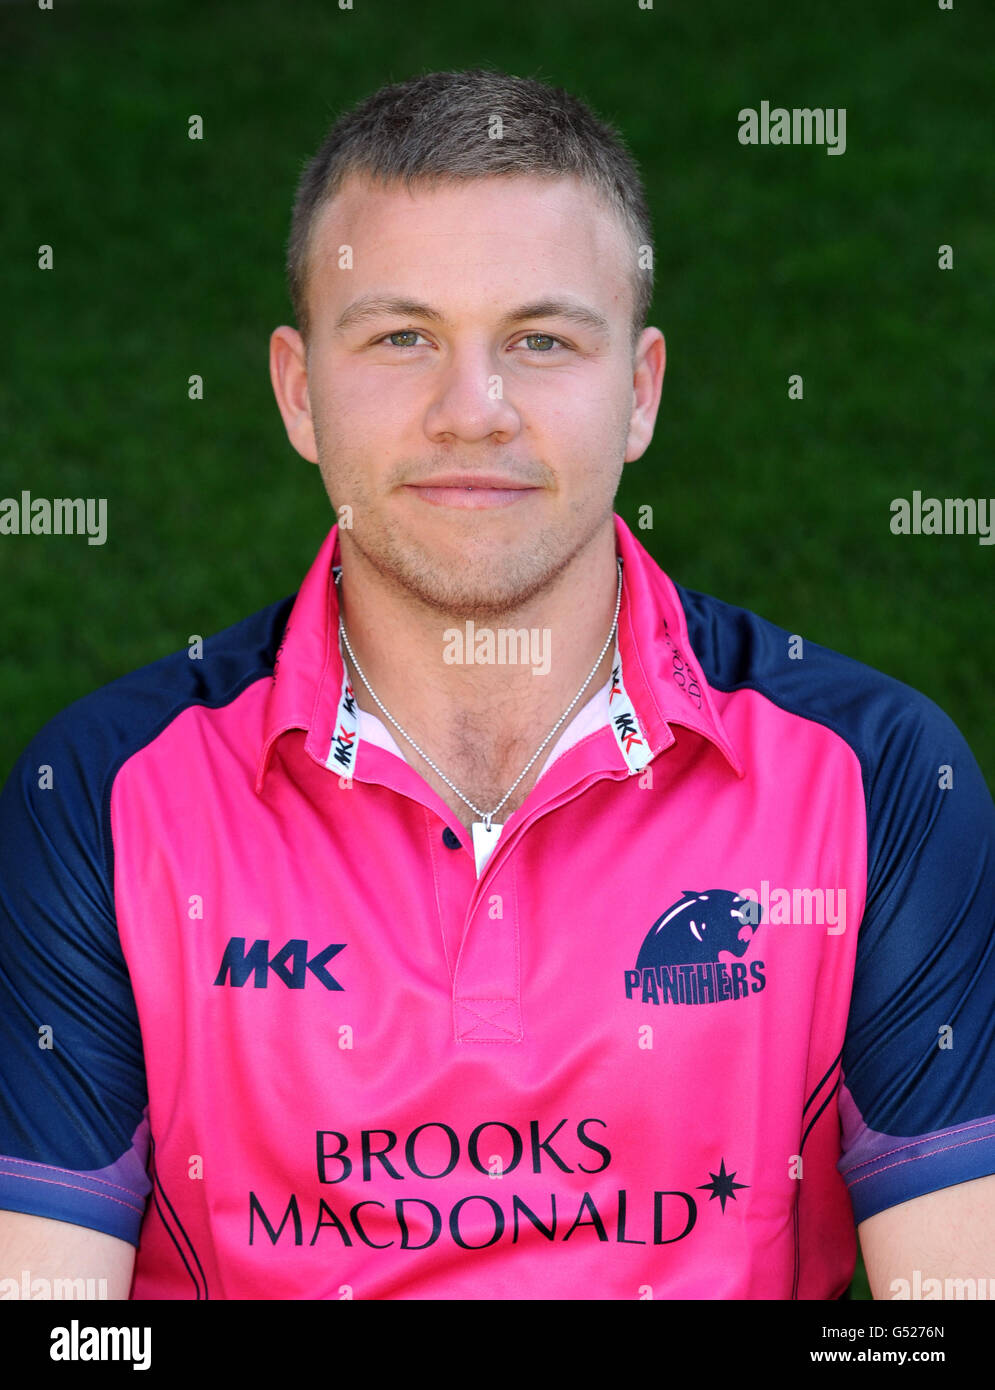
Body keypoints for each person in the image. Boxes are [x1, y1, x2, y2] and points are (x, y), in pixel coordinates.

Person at [1, 66, 993, 1302]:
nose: (472, 413)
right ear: (299, 392)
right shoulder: (102, 796)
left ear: (638, 392)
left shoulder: (875, 777)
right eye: (401, 337)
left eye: (540, 341)